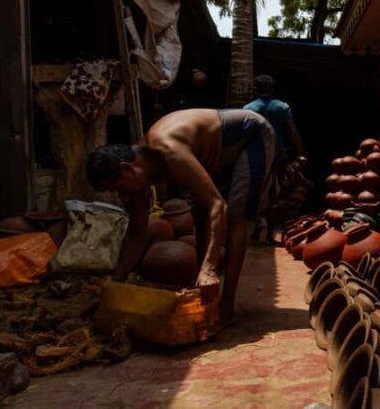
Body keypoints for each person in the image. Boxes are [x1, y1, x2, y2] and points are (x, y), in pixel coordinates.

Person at [86, 109, 275, 322]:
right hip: (214, 154)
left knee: (235, 216)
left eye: (119, 188)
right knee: (201, 216)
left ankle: (226, 304)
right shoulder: (137, 177)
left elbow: (218, 205)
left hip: (250, 134)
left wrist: (209, 269)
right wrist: (115, 287)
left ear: (128, 170)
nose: (122, 196)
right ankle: (206, 297)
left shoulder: (170, 151)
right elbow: (137, 232)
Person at [244, 75, 305, 242]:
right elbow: (292, 131)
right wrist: (300, 154)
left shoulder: (248, 108)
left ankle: (256, 230)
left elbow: (244, 135)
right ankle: (270, 231)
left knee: (256, 191)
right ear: (272, 89)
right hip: (278, 156)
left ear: (255, 89)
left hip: (256, 156)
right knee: (275, 193)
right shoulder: (282, 106)